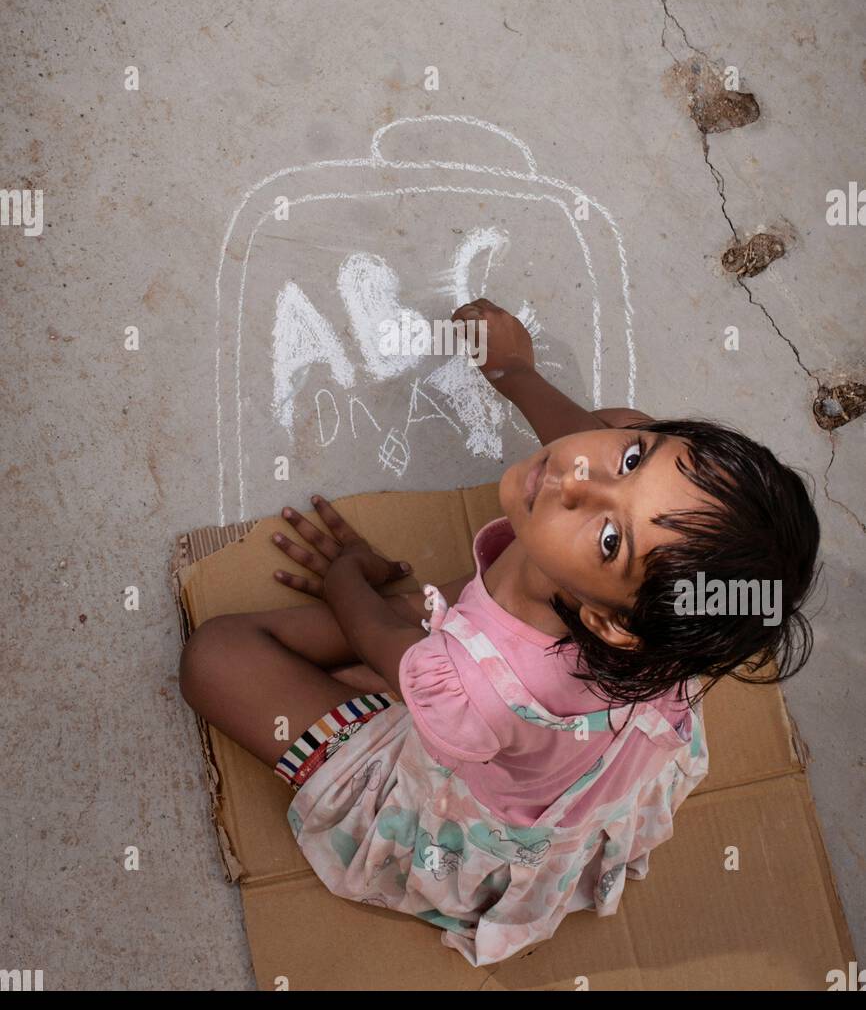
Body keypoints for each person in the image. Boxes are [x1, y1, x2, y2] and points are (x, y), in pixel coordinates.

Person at [179, 298, 820, 967]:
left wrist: (347, 576)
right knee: (621, 429)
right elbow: (601, 437)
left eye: (609, 538)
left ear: (608, 622)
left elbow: (373, 634)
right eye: (632, 460)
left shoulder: (472, 687)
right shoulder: (672, 613)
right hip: (570, 755)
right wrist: (513, 370)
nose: (577, 478)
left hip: (467, 804)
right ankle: (437, 634)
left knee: (215, 658)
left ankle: (417, 654)